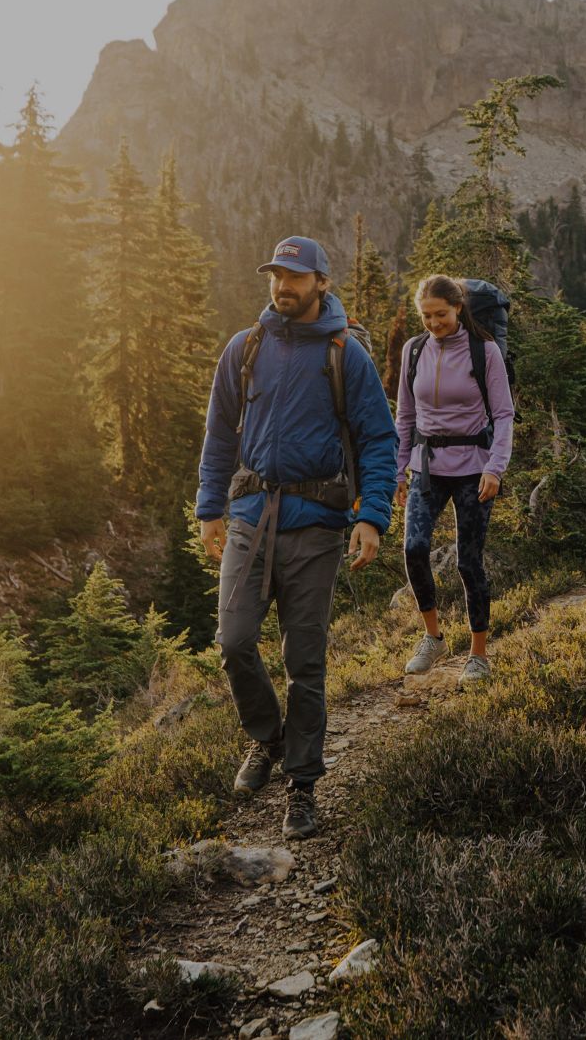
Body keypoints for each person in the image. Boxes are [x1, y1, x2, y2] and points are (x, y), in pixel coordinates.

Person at [196, 235, 396, 840]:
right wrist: (210, 508)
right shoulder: (245, 347)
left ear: (320, 284)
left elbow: (378, 441)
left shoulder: (344, 355)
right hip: (250, 518)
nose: (283, 286)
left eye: (294, 277)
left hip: (316, 525)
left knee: (304, 661)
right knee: (233, 642)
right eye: (276, 276)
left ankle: (303, 784)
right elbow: (219, 436)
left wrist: (372, 516)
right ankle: (268, 738)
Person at [394, 275, 516, 681]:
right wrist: (396, 472)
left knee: (468, 562)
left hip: (474, 470)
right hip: (426, 467)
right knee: (414, 549)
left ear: (458, 308)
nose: (433, 323)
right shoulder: (414, 351)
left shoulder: (485, 351)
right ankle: (434, 637)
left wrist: (495, 467)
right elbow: (405, 417)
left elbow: (502, 414)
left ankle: (478, 654)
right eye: (426, 316)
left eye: (441, 314)